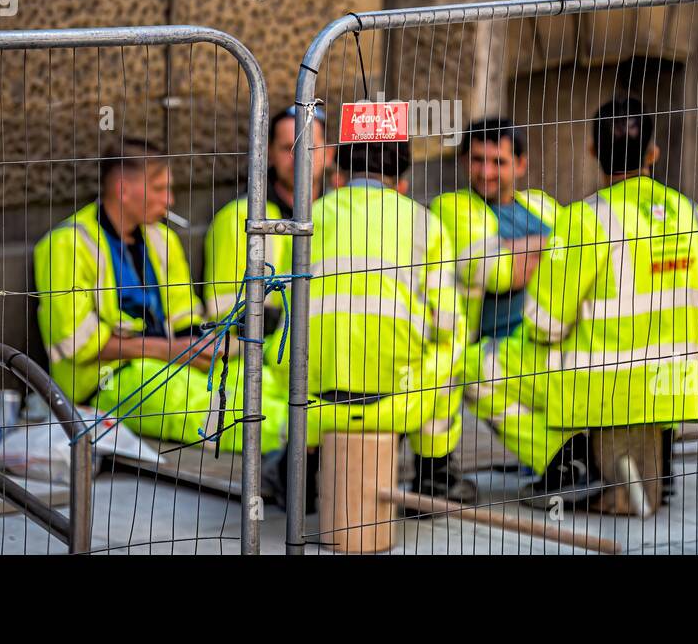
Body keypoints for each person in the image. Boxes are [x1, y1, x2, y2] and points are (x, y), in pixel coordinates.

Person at [462, 99, 698, 508]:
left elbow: (545, 324)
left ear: (592, 151)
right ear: (653, 153)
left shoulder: (586, 220)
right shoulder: (695, 217)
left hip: (608, 391)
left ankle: (570, 465)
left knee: (477, 368)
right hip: (680, 389)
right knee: (697, 345)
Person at [262, 139, 478, 507]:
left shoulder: (308, 219)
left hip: (313, 405)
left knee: (288, 352)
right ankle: (434, 475)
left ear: (339, 178)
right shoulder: (426, 224)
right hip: (399, 402)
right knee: (450, 355)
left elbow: (274, 310)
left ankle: (297, 472)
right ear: (402, 184)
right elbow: (449, 326)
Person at [34, 139, 282, 452]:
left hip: (168, 362)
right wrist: (174, 351)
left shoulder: (162, 238)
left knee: (264, 380)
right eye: (159, 189)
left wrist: (203, 345)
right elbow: (79, 345)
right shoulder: (65, 245)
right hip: (104, 382)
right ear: (124, 189)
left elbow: (185, 315)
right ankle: (295, 442)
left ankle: (312, 435)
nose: (170, 199)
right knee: (209, 404)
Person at [203, 106, 333, 357]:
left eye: (310, 147)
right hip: (258, 358)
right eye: (287, 148)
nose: (299, 157)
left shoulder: (336, 215)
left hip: (325, 356)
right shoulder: (241, 216)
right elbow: (226, 309)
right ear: (270, 154)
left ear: (329, 154)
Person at [430, 118, 560, 344]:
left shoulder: (543, 203)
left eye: (498, 162)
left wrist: (510, 249)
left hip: (544, 349)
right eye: (477, 160)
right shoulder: (451, 206)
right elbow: (494, 273)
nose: (486, 172)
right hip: (485, 354)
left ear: (520, 164)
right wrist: (547, 245)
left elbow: (576, 262)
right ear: (463, 160)